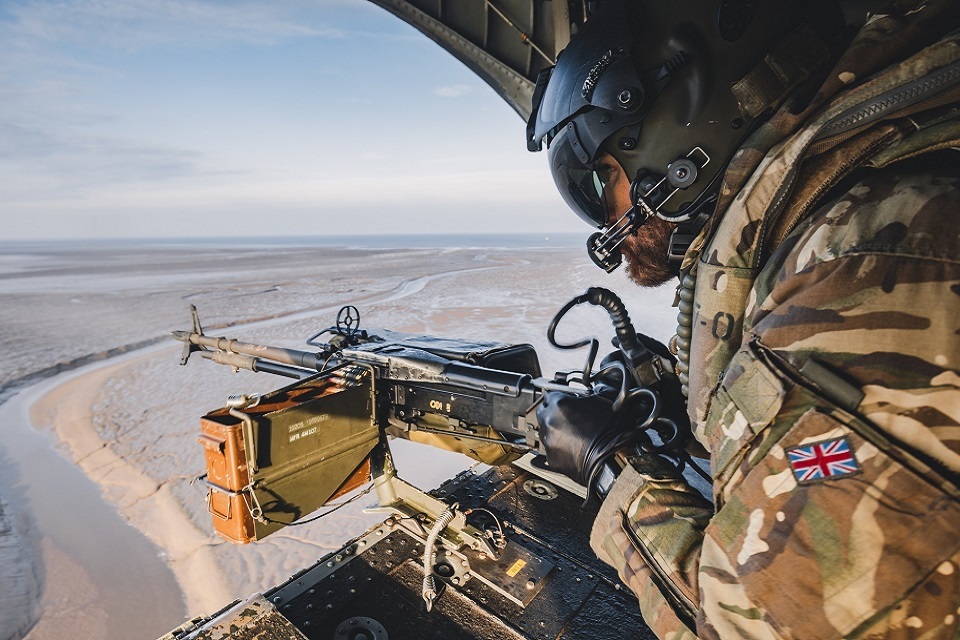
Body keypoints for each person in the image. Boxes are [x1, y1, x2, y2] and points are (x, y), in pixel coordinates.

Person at [527, 0, 960, 637]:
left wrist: (611, 466)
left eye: (603, 183)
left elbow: (756, 623)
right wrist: (727, 410)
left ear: (678, 132)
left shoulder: (867, 271)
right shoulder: (861, 208)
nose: (609, 227)